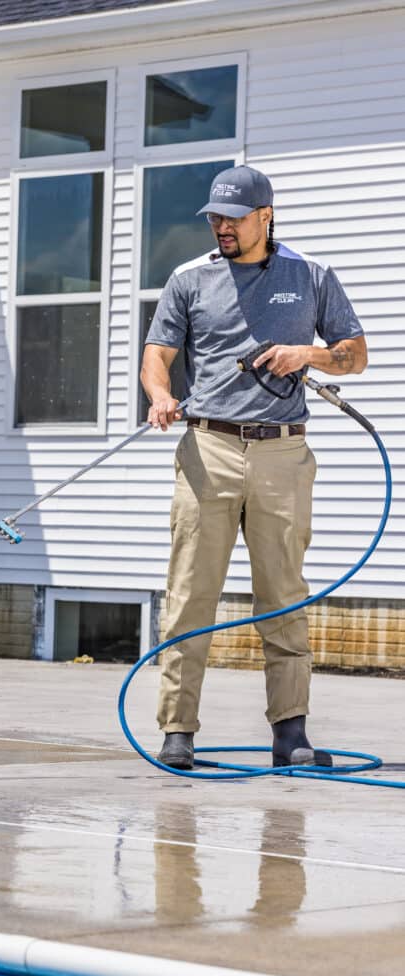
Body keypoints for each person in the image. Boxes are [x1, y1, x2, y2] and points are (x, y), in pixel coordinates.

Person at [140, 164, 367, 770]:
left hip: (282, 453)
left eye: (232, 219)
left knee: (283, 594)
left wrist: (309, 353)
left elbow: (354, 355)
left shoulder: (311, 274)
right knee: (190, 594)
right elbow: (157, 354)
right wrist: (160, 395)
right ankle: (177, 729)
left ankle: (290, 733)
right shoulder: (189, 279)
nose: (221, 228)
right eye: (214, 218)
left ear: (265, 216)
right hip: (207, 448)